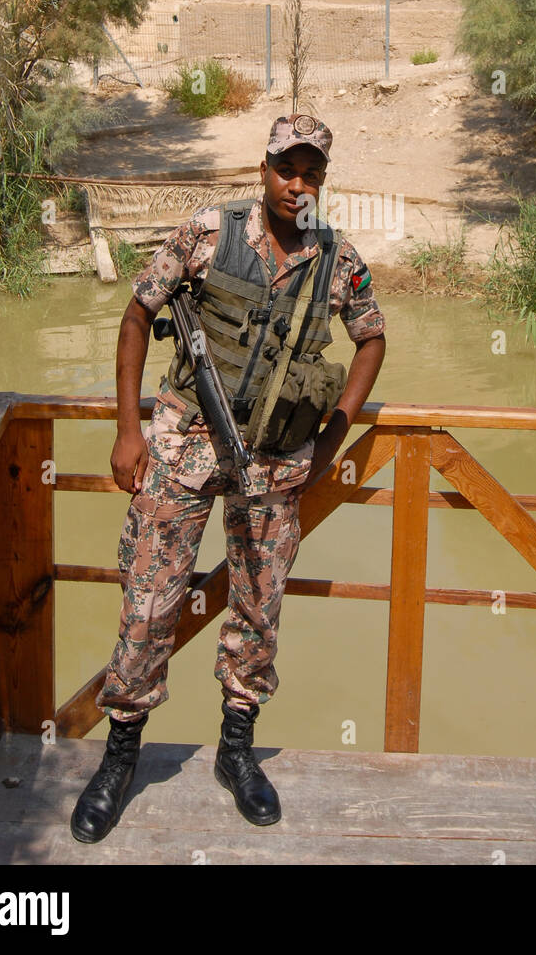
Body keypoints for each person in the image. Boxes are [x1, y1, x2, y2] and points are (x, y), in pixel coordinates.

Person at [70, 112, 386, 843]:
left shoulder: (337, 257)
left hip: (274, 467)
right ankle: (120, 755)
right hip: (182, 448)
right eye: (285, 167)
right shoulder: (210, 230)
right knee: (150, 603)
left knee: (258, 610)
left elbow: (371, 337)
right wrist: (128, 430)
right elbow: (134, 315)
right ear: (264, 167)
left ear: (322, 182)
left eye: (311, 172)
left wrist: (338, 428)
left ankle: (236, 753)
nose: (295, 184)